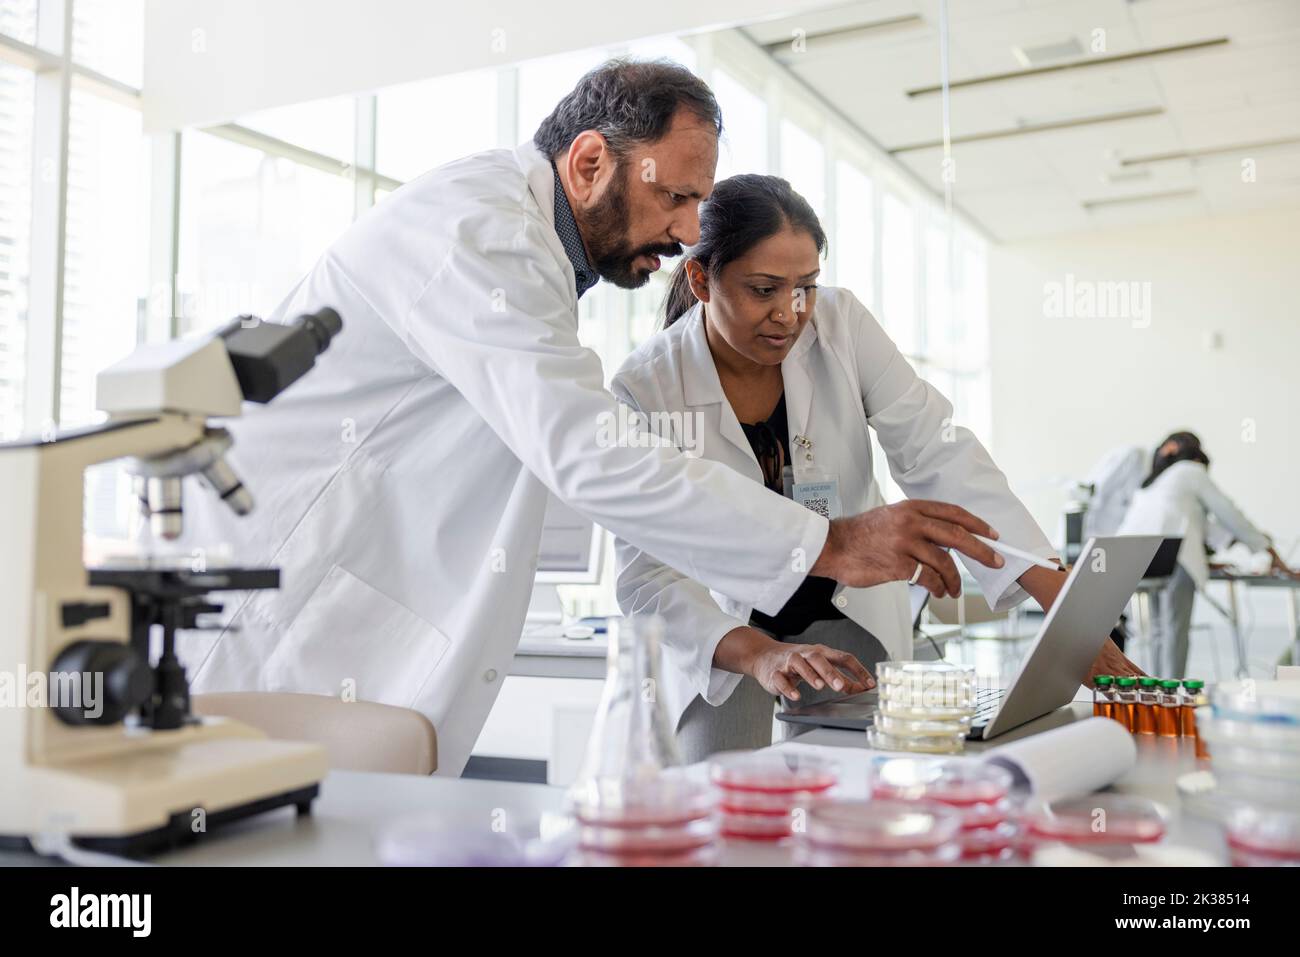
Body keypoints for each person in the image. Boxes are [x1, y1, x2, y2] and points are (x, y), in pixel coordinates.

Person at [175, 60, 1002, 776]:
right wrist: (832, 541)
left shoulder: (532, 259)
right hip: (283, 617)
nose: (687, 233)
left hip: (350, 625)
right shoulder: (478, 230)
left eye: (699, 201)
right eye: (674, 197)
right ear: (589, 159)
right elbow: (588, 454)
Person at [610, 174, 1140, 761]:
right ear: (701, 278)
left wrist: (1057, 603)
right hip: (726, 636)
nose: (790, 314)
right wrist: (760, 653)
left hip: (847, 612)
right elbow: (649, 578)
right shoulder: (648, 387)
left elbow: (935, 451)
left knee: (879, 787)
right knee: (722, 805)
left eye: (804, 287)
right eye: (764, 289)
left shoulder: (840, 326)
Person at [1119, 431, 1298, 677]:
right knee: (1174, 631)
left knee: (1157, 633)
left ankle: (1156, 697)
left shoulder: (1155, 482)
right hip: (1173, 559)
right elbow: (1230, 515)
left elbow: (1199, 524)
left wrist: (1210, 558)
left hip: (1137, 558)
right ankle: (1174, 698)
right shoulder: (1190, 470)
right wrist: (1269, 552)